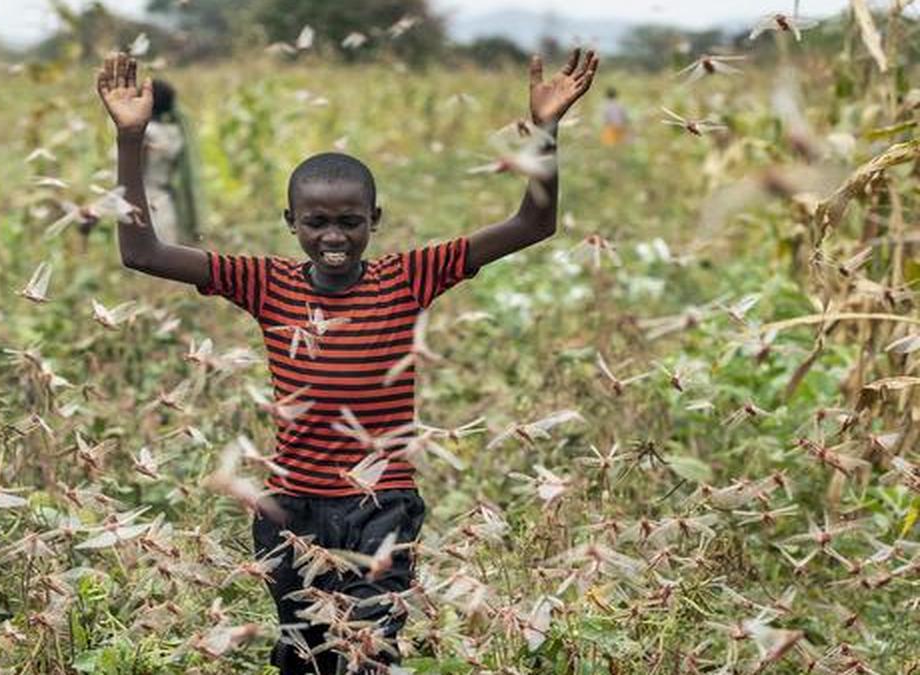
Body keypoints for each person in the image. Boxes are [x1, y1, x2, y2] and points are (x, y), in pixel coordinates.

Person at [95, 49, 598, 674]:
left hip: (381, 505)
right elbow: (141, 252)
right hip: (291, 510)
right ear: (291, 223)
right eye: (316, 222)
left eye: (350, 222)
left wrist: (545, 130)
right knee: (306, 654)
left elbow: (533, 223)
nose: (333, 236)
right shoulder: (266, 283)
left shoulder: (410, 276)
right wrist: (130, 139)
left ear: (374, 221)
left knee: (367, 650)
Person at [143, 78, 202, 245]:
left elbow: (135, 174)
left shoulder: (145, 134)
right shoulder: (174, 133)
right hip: (165, 202)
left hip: (143, 202)